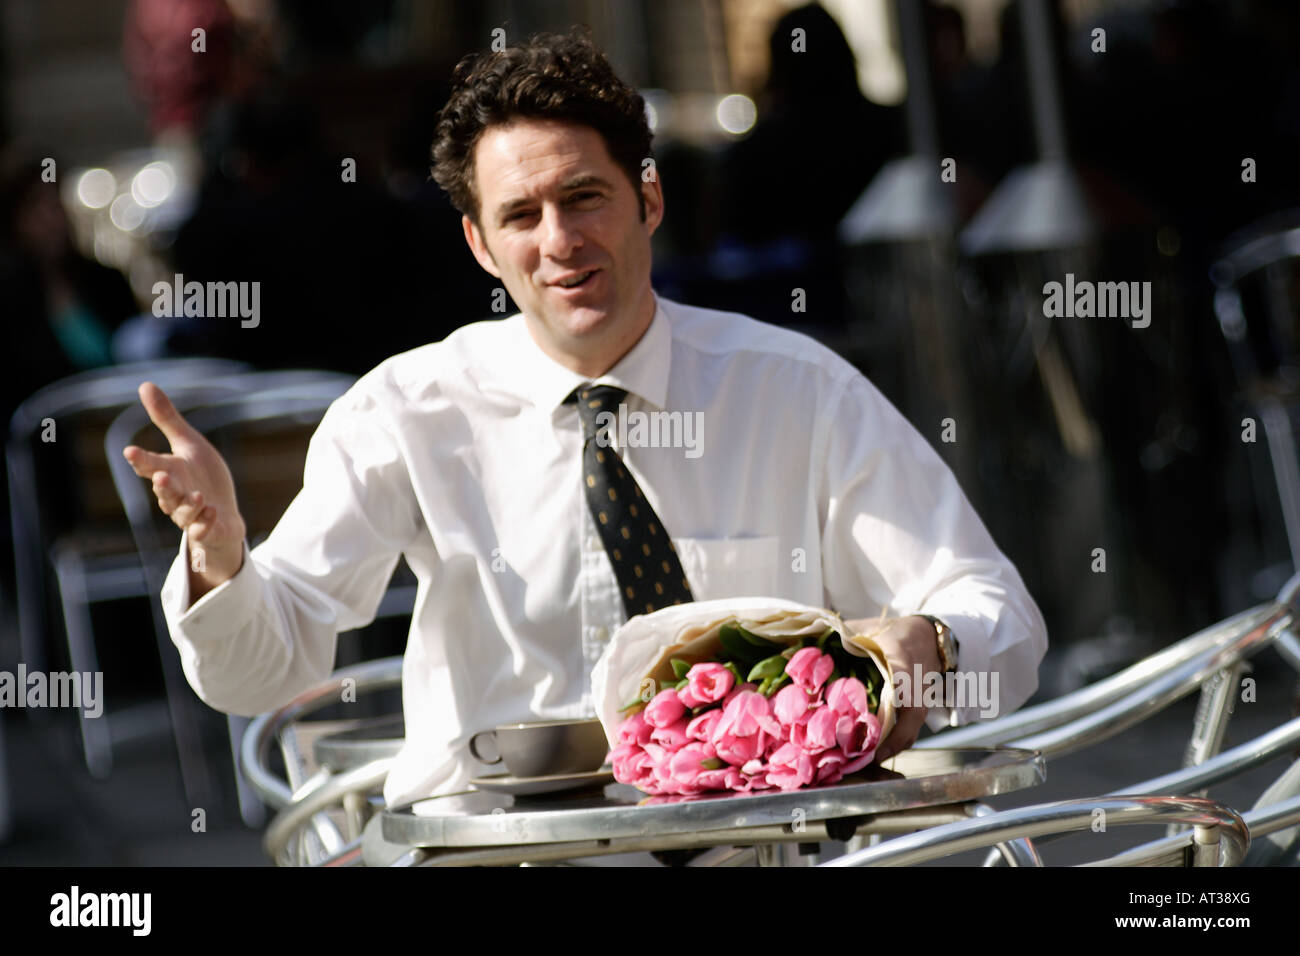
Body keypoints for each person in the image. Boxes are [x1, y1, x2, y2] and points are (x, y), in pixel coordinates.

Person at [124, 30, 1047, 821]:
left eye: (585, 197)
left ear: (648, 199)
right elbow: (259, 674)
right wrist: (220, 555)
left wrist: (935, 646)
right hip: (501, 854)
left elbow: (1001, 622)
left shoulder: (798, 391)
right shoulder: (406, 413)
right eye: (521, 215)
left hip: (755, 844)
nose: (559, 240)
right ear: (482, 246)